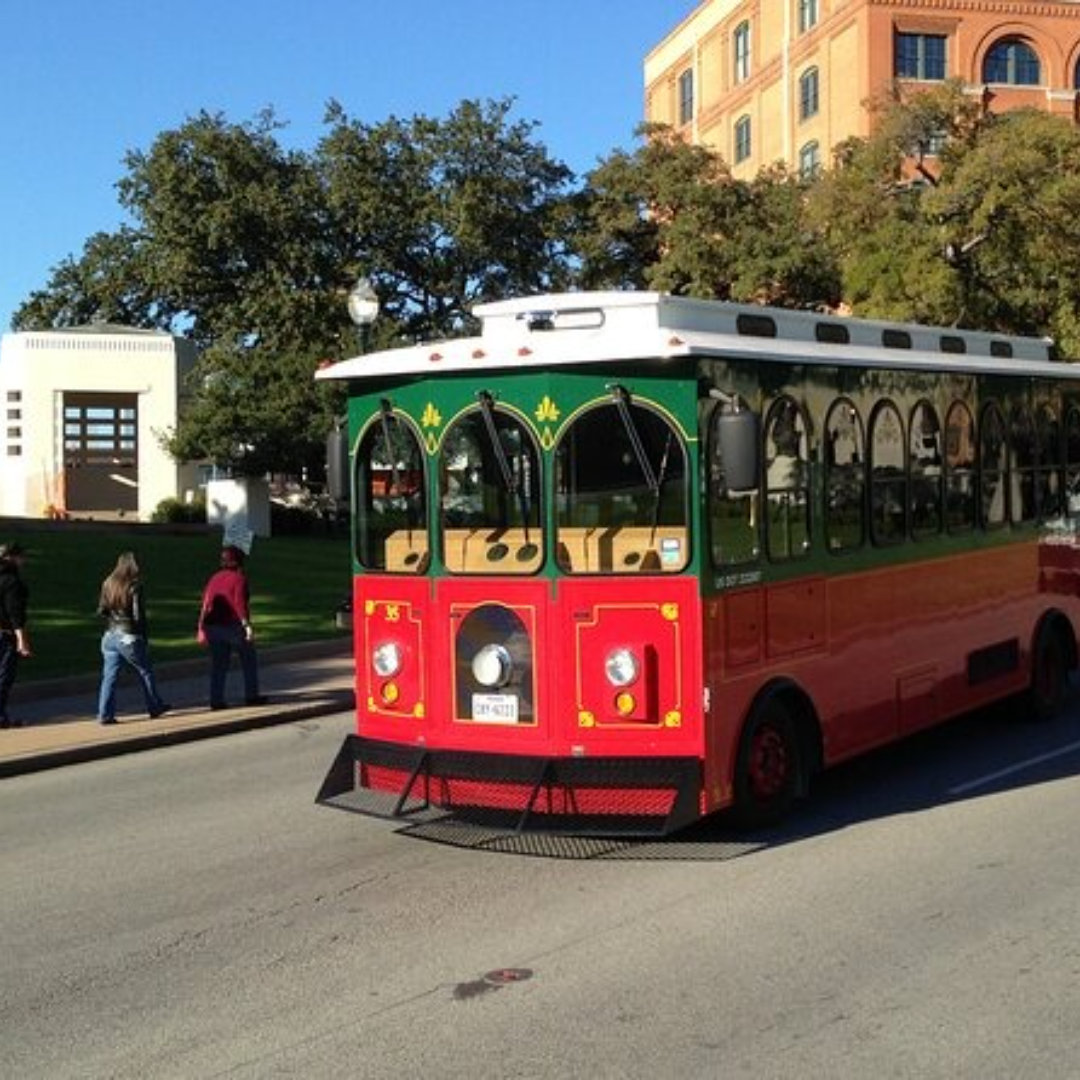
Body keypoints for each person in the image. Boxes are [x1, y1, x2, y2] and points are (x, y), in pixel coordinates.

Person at [96, 551, 170, 725]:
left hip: (109, 635)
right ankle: (155, 706)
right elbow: (138, 616)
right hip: (128, 635)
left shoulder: (108, 582)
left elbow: (101, 610)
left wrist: (113, 620)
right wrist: (143, 637)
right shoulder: (134, 586)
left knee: (109, 677)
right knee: (145, 671)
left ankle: (104, 714)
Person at [197, 545, 265, 710]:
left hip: (212, 626)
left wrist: (200, 627)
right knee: (248, 660)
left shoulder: (214, 577)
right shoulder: (239, 579)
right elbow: (240, 604)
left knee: (219, 665)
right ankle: (251, 695)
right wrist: (247, 626)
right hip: (233, 627)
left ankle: (216, 700)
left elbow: (206, 603)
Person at [0, 542, 32, 729]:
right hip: (5, 634)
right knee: (4, 676)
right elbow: (15, 613)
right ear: (11, 557)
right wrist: (22, 641)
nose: (23, 560)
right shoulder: (12, 581)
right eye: (21, 556)